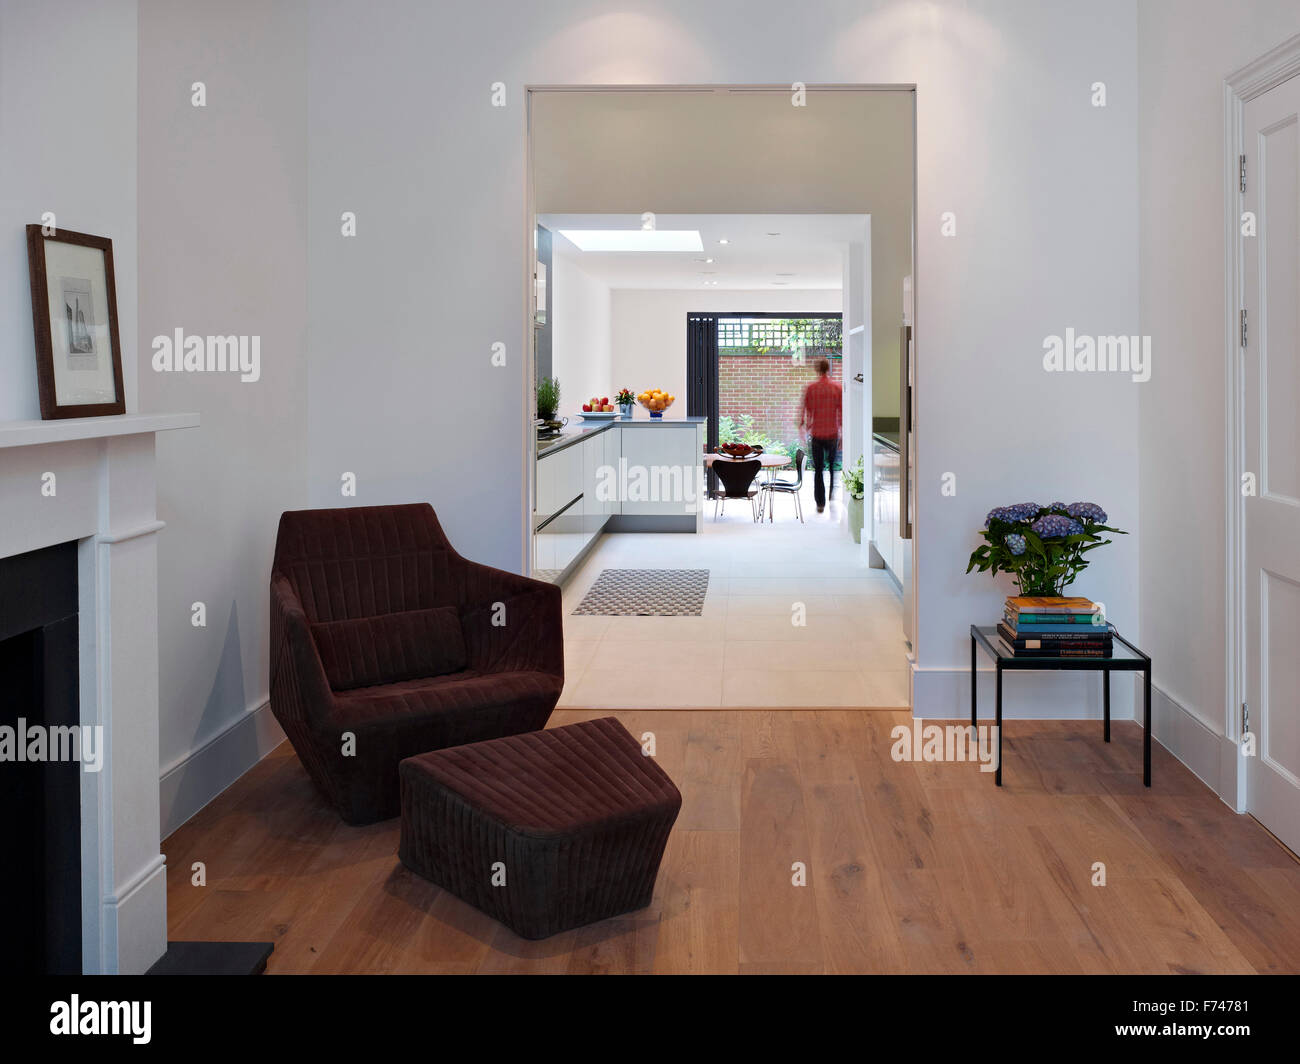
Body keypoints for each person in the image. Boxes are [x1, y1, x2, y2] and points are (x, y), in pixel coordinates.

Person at [798, 358, 842, 513]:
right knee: (831, 468)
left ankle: (820, 503)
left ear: (817, 370)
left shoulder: (811, 388)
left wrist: (803, 425)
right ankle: (831, 495)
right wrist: (841, 434)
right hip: (832, 434)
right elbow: (841, 413)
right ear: (828, 369)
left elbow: (804, 410)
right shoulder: (836, 388)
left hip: (816, 434)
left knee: (818, 470)